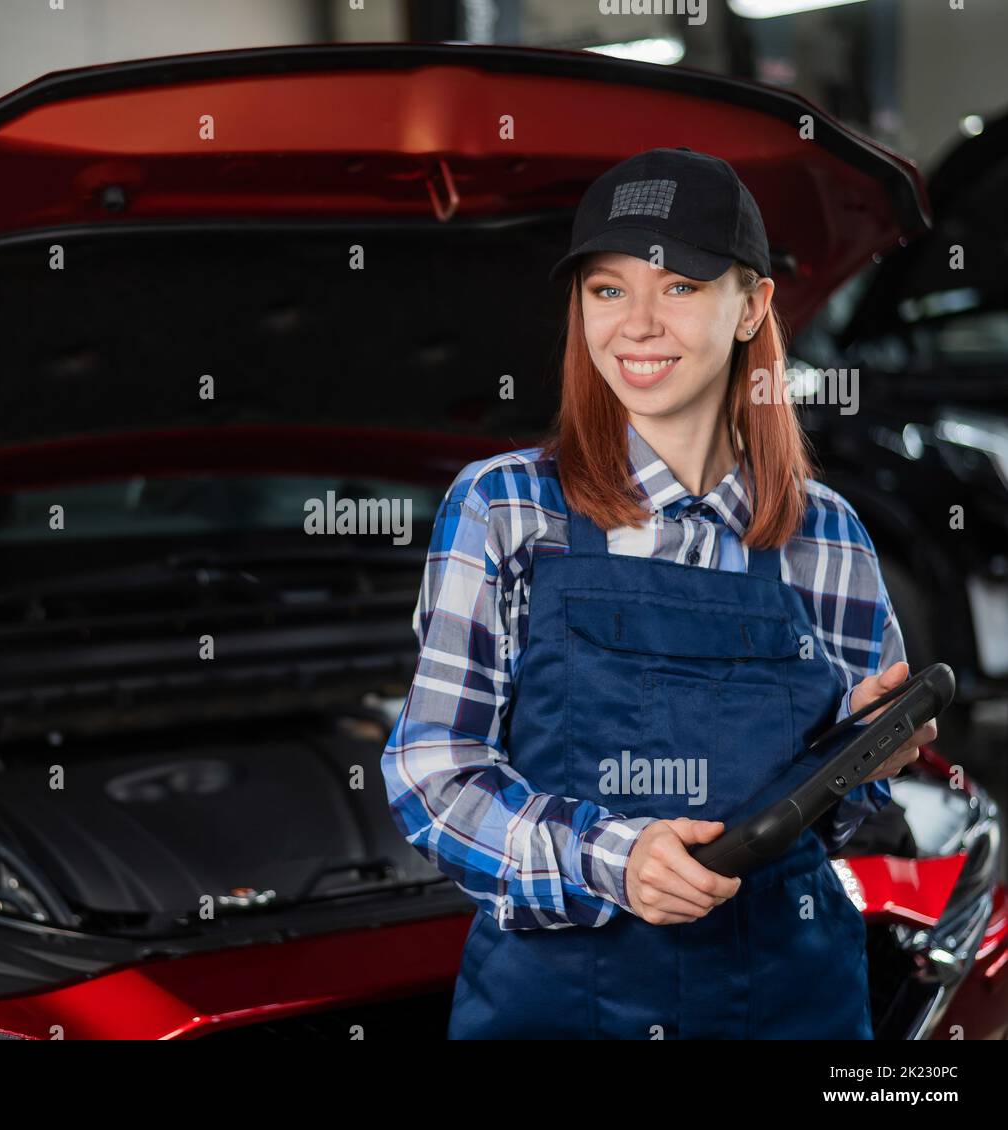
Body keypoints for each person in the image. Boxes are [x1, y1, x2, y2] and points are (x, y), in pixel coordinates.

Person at [381, 147, 936, 1040]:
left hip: (793, 1001)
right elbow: (433, 770)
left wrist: (867, 759)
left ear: (753, 304)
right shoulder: (506, 509)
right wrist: (613, 858)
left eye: (678, 286)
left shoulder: (826, 535)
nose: (636, 324)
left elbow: (831, 821)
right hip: (562, 1007)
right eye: (607, 289)